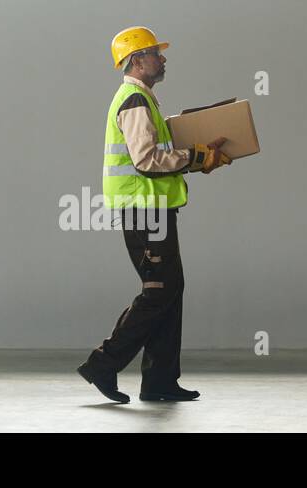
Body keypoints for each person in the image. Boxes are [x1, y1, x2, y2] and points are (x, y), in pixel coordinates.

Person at [77, 26, 231, 403]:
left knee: (168, 290)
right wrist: (195, 156)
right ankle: (103, 364)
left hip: (153, 208)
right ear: (136, 60)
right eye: (155, 53)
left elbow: (158, 157)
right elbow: (146, 161)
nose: (162, 59)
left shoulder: (143, 99)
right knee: (159, 291)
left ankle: (160, 381)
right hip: (144, 211)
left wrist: (199, 158)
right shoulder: (134, 101)